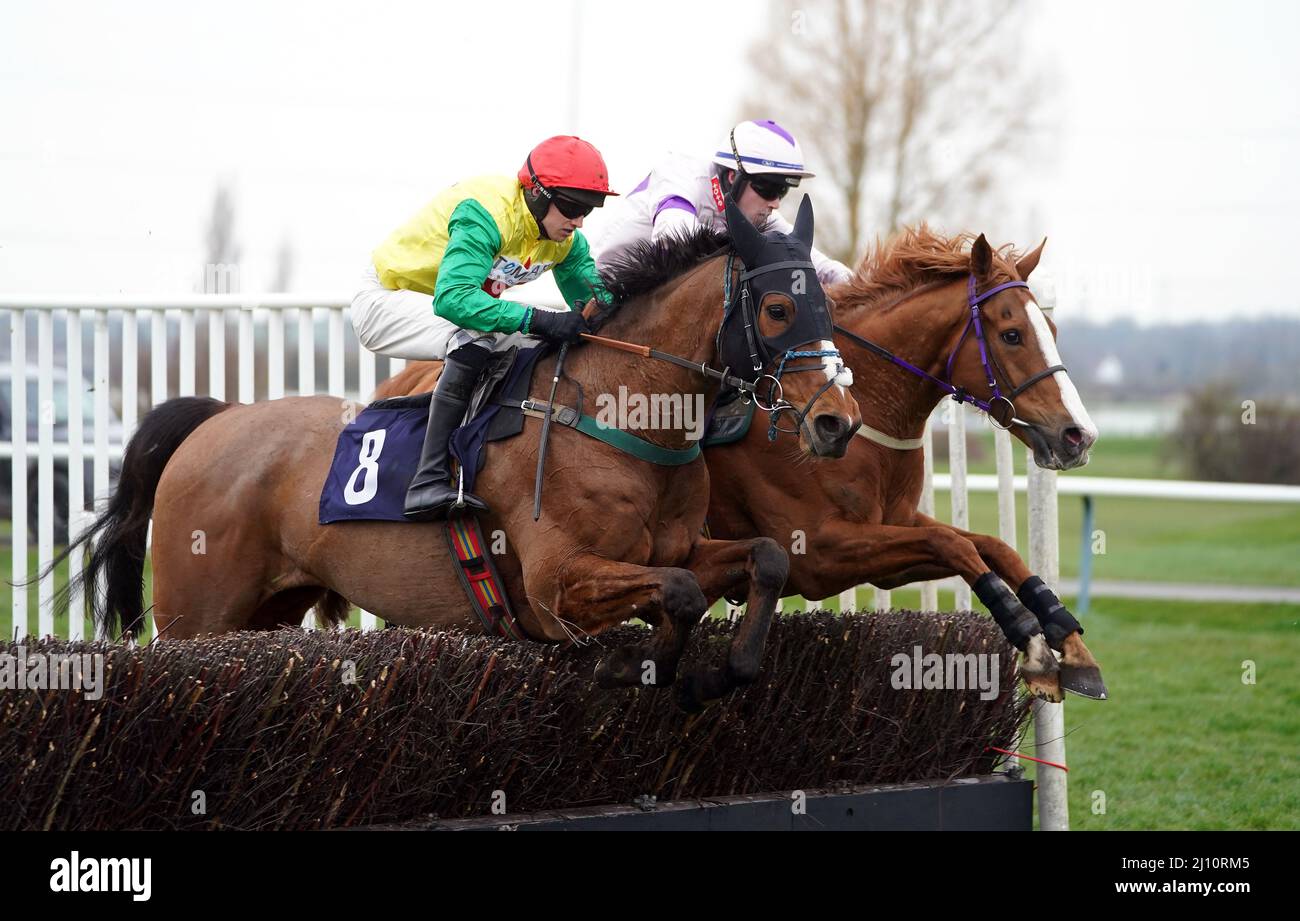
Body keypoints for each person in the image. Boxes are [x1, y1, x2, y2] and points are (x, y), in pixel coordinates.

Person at [350, 136, 617, 520]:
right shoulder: (486, 212)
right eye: (572, 207)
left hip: (444, 310)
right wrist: (541, 317)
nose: (577, 221)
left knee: (538, 344)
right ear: (538, 193)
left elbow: (598, 304)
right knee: (476, 336)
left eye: (588, 210)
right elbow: (454, 300)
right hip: (385, 299)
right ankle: (427, 481)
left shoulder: (565, 241)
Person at [593, 119, 853, 286]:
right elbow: (674, 237)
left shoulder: (750, 207)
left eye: (782, 191)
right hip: (603, 288)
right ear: (732, 177)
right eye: (769, 188)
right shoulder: (682, 172)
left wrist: (856, 287)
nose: (775, 203)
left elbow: (815, 263)